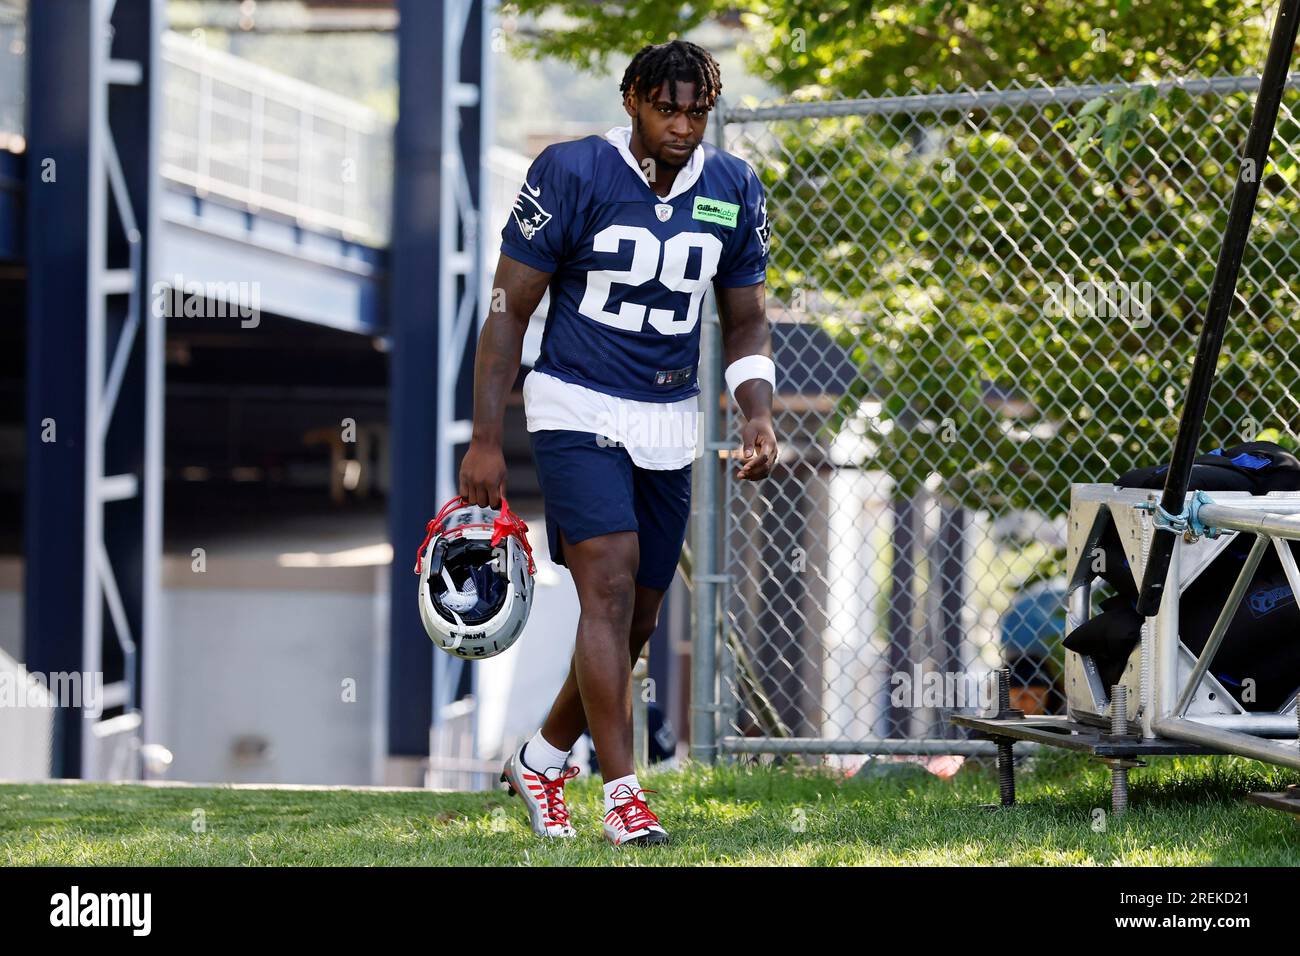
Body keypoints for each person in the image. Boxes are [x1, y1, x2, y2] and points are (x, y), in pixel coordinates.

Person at [459, 39, 778, 846]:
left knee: (635, 617)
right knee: (604, 583)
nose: (682, 125)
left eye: (696, 111)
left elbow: (744, 321)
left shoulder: (734, 186)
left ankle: (541, 756)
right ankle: (624, 796)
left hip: (669, 418)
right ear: (632, 99)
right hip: (574, 401)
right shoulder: (570, 171)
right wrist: (486, 437)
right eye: (667, 108)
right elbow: (508, 309)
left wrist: (758, 412)